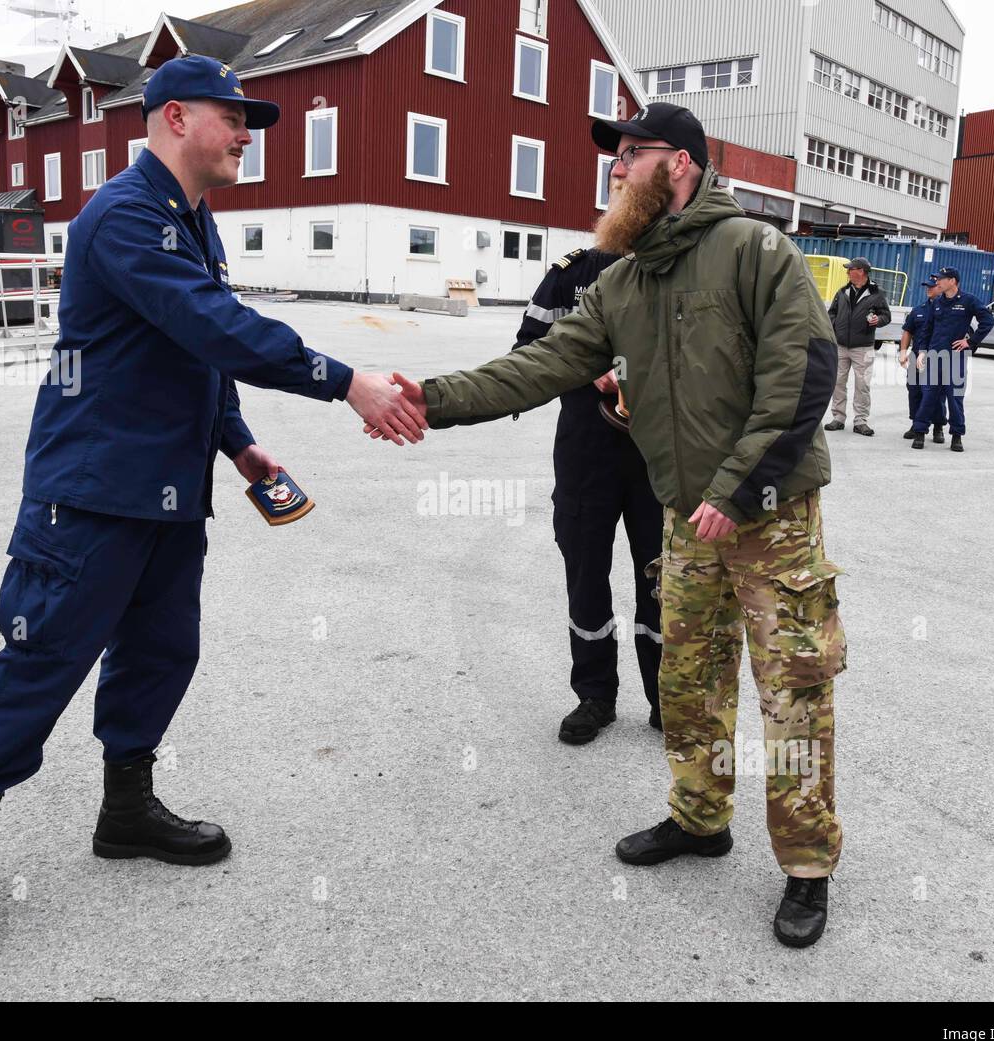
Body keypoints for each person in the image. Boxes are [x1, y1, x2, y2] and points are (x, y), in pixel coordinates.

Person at [0, 54, 424, 960]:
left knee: (161, 651)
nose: (245, 134)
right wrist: (347, 381)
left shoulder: (193, 219)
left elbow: (195, 353)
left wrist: (238, 443)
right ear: (171, 118)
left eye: (249, 121)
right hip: (90, 492)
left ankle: (125, 810)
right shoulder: (122, 215)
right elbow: (211, 324)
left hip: (168, 492)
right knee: (44, 655)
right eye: (232, 118)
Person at [370, 103, 847, 947]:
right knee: (688, 682)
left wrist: (738, 490)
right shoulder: (621, 283)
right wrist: (430, 401)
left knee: (792, 695)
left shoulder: (754, 250)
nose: (616, 169)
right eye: (615, 157)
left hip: (769, 517)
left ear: (684, 166)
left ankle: (807, 867)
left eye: (634, 154)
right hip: (685, 519)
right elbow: (539, 364)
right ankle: (701, 820)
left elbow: (802, 373)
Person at [514, 247, 663, 745]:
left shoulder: (683, 269)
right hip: (585, 456)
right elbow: (527, 353)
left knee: (666, 582)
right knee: (585, 576)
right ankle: (595, 695)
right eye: (618, 179)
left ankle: (668, 699)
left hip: (661, 458)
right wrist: (586, 371)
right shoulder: (570, 275)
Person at [908, 266, 994, 452]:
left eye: (941, 278)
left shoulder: (968, 301)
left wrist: (970, 342)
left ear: (952, 281)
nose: (938, 281)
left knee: (955, 398)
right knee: (928, 395)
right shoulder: (937, 302)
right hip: (935, 356)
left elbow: (988, 320)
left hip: (955, 358)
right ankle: (920, 432)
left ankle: (956, 436)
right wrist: (922, 351)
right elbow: (927, 329)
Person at [823, 257, 891, 437]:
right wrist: (835, 326)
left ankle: (860, 421)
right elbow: (832, 313)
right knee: (837, 382)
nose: (847, 272)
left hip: (863, 347)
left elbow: (886, 316)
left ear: (861, 271)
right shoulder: (842, 291)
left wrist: (879, 320)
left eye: (850, 269)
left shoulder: (877, 293)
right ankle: (838, 418)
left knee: (862, 385)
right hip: (841, 346)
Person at [900, 275, 947, 444]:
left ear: (940, 287)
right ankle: (916, 424)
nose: (928, 289)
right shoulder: (918, 309)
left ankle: (938, 426)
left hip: (936, 357)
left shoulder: (946, 309)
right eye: (927, 286)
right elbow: (908, 331)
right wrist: (903, 351)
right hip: (916, 355)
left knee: (937, 393)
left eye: (932, 286)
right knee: (914, 391)